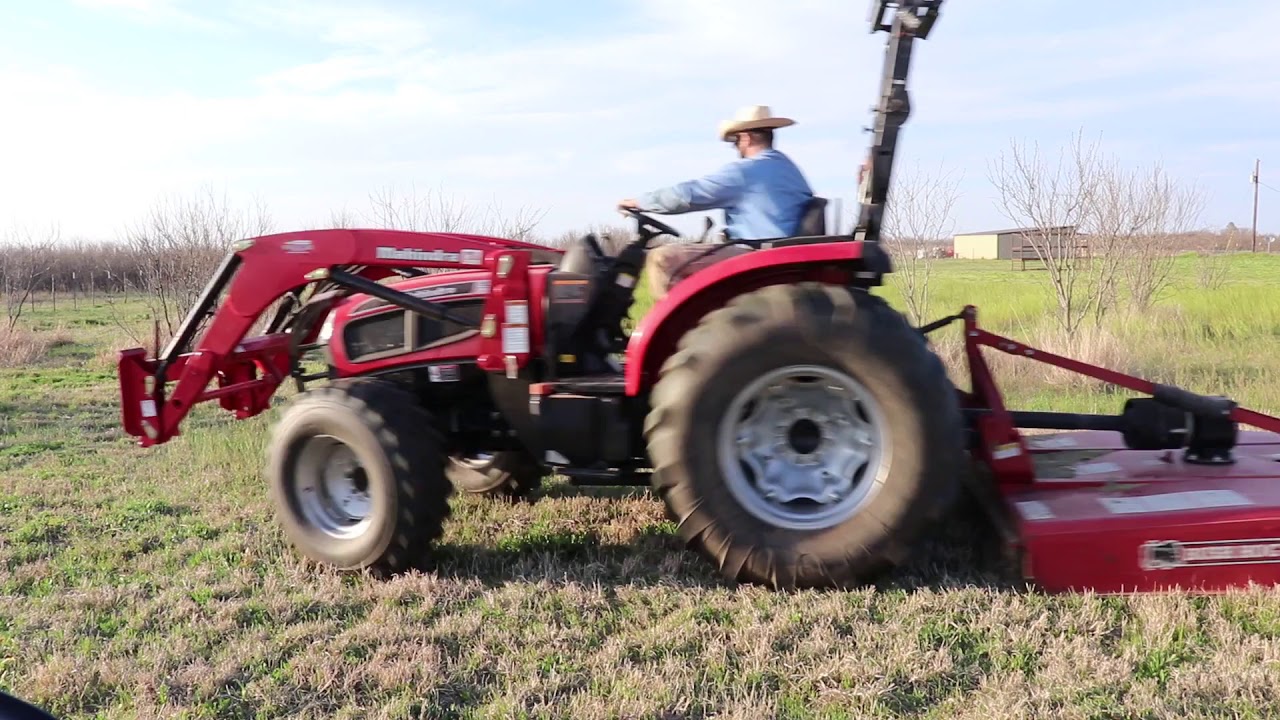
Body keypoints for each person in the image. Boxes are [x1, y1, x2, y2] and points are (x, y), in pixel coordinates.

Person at [617, 105, 815, 300]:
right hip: (779, 253)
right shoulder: (789, 168)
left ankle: (678, 330)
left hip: (756, 255)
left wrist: (639, 202)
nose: (735, 146)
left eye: (734, 141)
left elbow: (689, 196)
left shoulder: (747, 171)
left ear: (746, 137)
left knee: (662, 259)